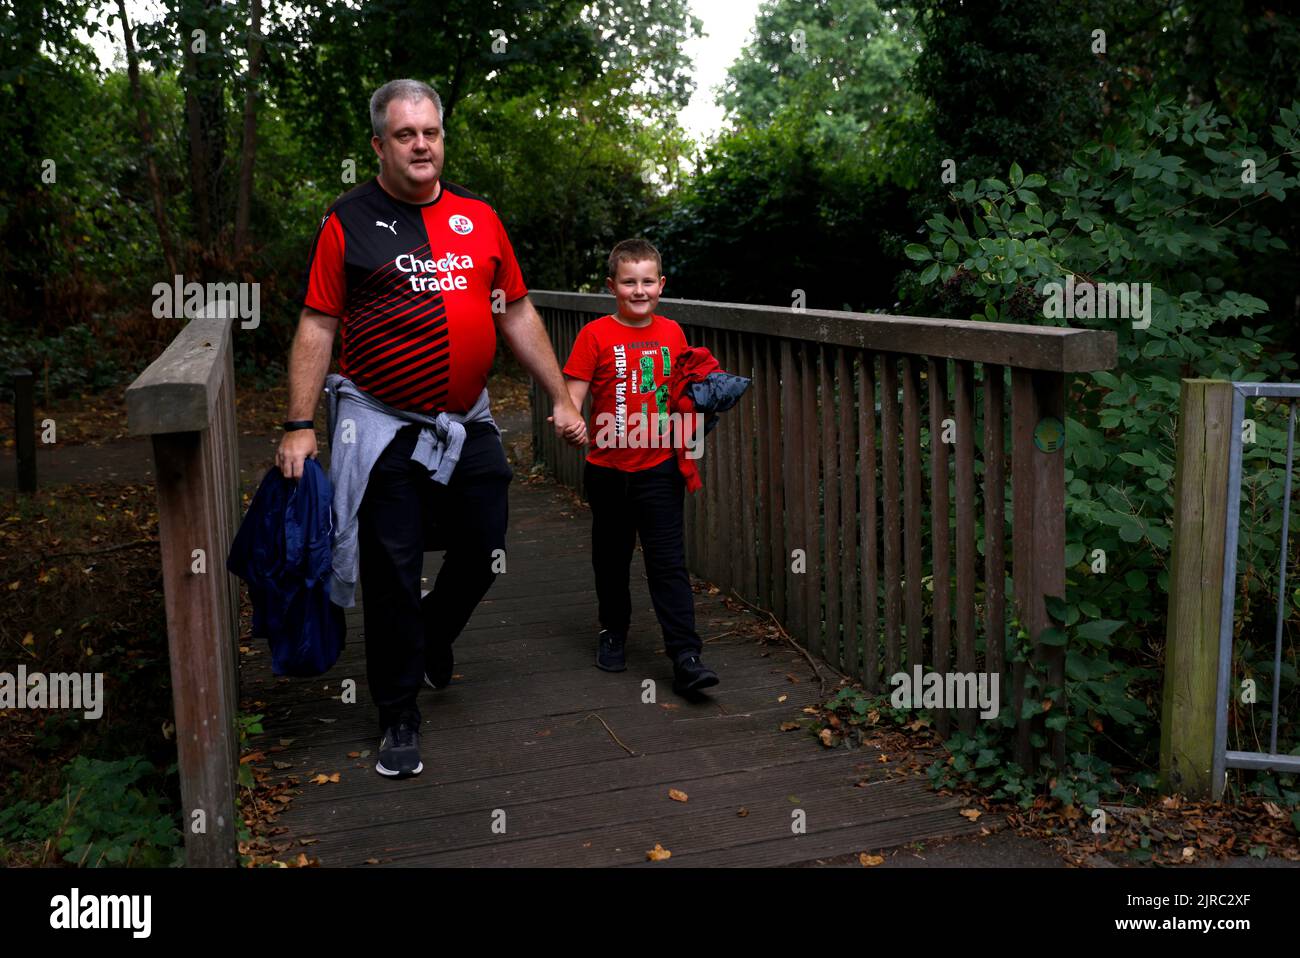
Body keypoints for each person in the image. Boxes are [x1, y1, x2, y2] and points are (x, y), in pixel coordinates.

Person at [277, 78, 586, 779]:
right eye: (406, 134)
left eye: (432, 132)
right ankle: (398, 715)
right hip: (380, 418)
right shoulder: (347, 220)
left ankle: (433, 634)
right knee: (392, 564)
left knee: (483, 544)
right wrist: (299, 423)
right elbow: (319, 322)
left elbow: (515, 311)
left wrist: (562, 395)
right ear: (381, 144)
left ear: (442, 137)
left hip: (465, 418)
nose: (422, 144)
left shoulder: (479, 217)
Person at [561, 239, 719, 695]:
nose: (639, 290)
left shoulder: (672, 332)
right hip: (608, 469)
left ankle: (686, 656)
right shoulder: (594, 335)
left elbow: (684, 391)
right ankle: (613, 631)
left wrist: (707, 398)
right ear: (612, 286)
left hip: (660, 468)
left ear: (661, 284)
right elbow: (573, 398)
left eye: (648, 281)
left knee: (668, 563)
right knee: (610, 558)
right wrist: (570, 421)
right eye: (629, 282)